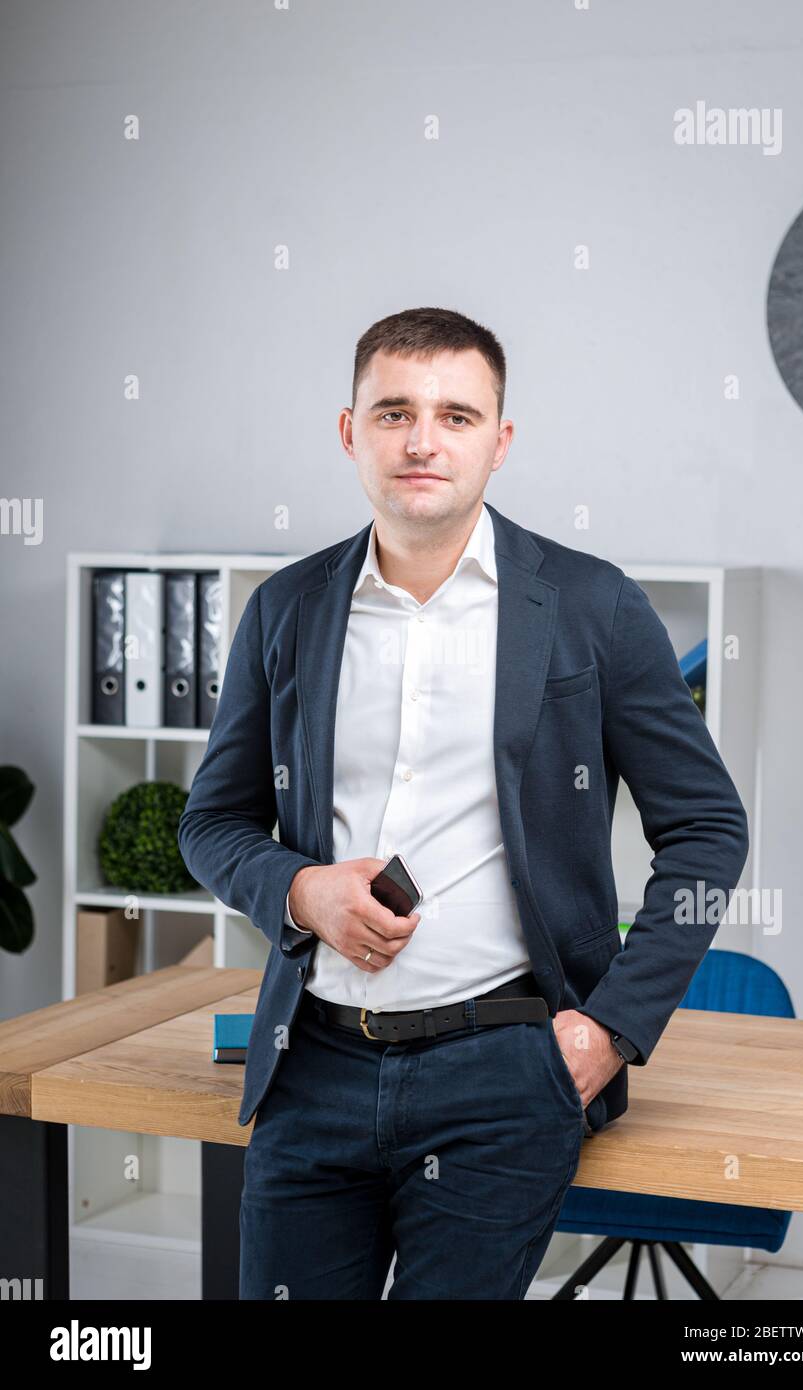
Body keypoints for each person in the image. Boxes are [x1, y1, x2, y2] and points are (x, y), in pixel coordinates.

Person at [178, 306, 749, 1300]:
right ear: (350, 430)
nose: (422, 439)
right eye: (393, 410)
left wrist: (606, 1031)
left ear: (499, 440)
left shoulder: (591, 606)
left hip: (504, 1073)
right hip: (309, 1065)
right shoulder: (287, 609)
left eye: (455, 413)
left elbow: (706, 828)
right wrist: (302, 890)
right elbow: (212, 821)